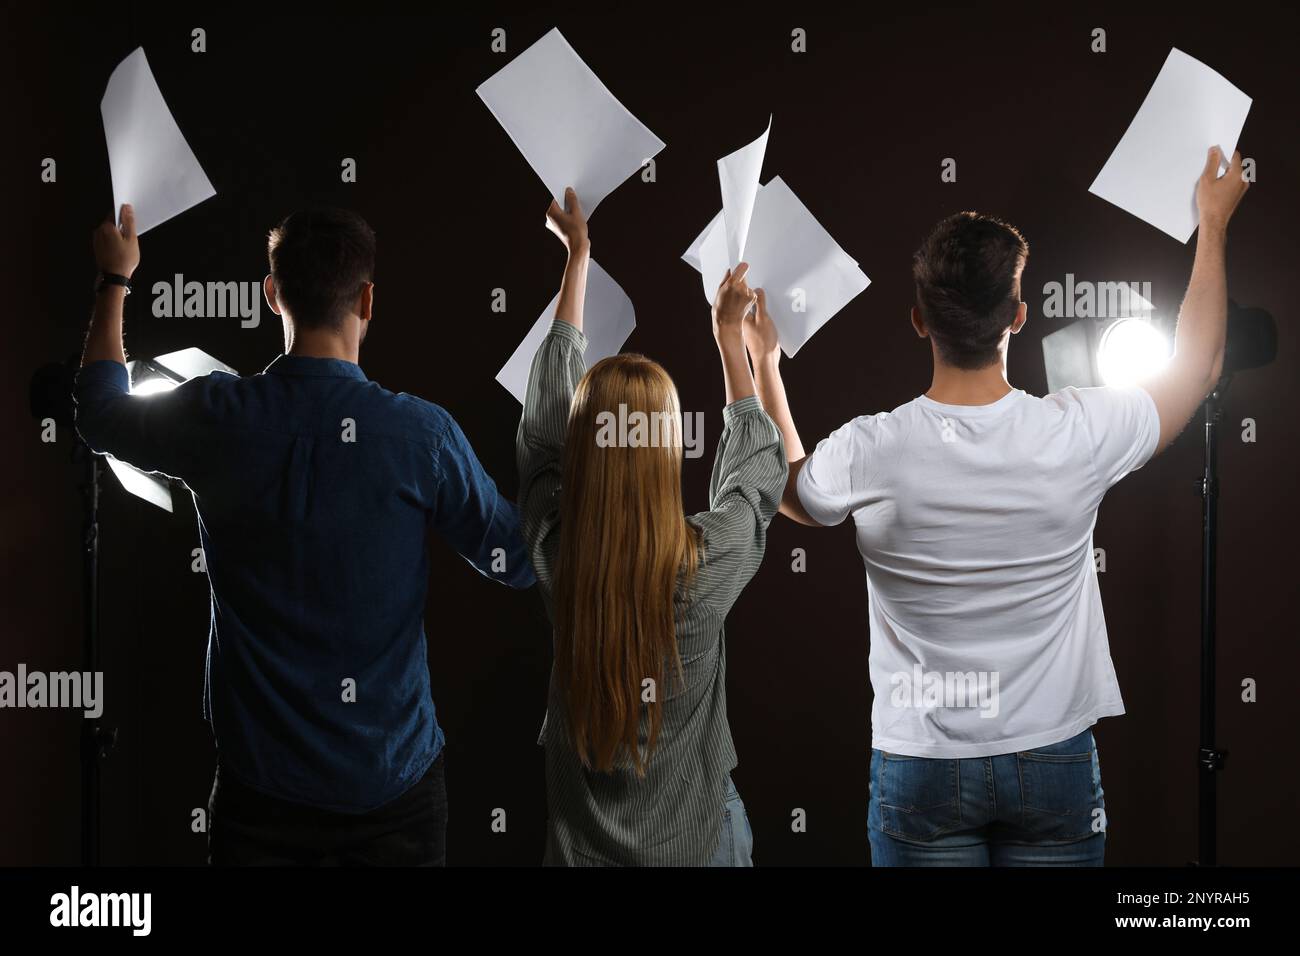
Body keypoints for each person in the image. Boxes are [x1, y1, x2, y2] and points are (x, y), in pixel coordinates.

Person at [745, 147, 1251, 866]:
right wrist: (1212, 223)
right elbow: (1198, 365)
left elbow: (787, 488)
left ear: (919, 321)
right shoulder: (1077, 433)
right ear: (1017, 316)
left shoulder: (871, 449)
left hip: (921, 766)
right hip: (1052, 759)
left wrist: (763, 365)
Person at [76, 204, 535, 866]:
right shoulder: (421, 436)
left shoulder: (217, 417)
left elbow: (99, 411)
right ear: (368, 300)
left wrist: (114, 279)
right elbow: (517, 560)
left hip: (261, 799)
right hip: (394, 796)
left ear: (272, 294)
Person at [517, 188, 788, 866]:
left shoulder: (556, 551)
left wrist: (577, 260)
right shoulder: (708, 560)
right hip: (699, 846)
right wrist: (734, 343)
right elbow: (756, 481)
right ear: (668, 451)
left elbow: (544, 435)